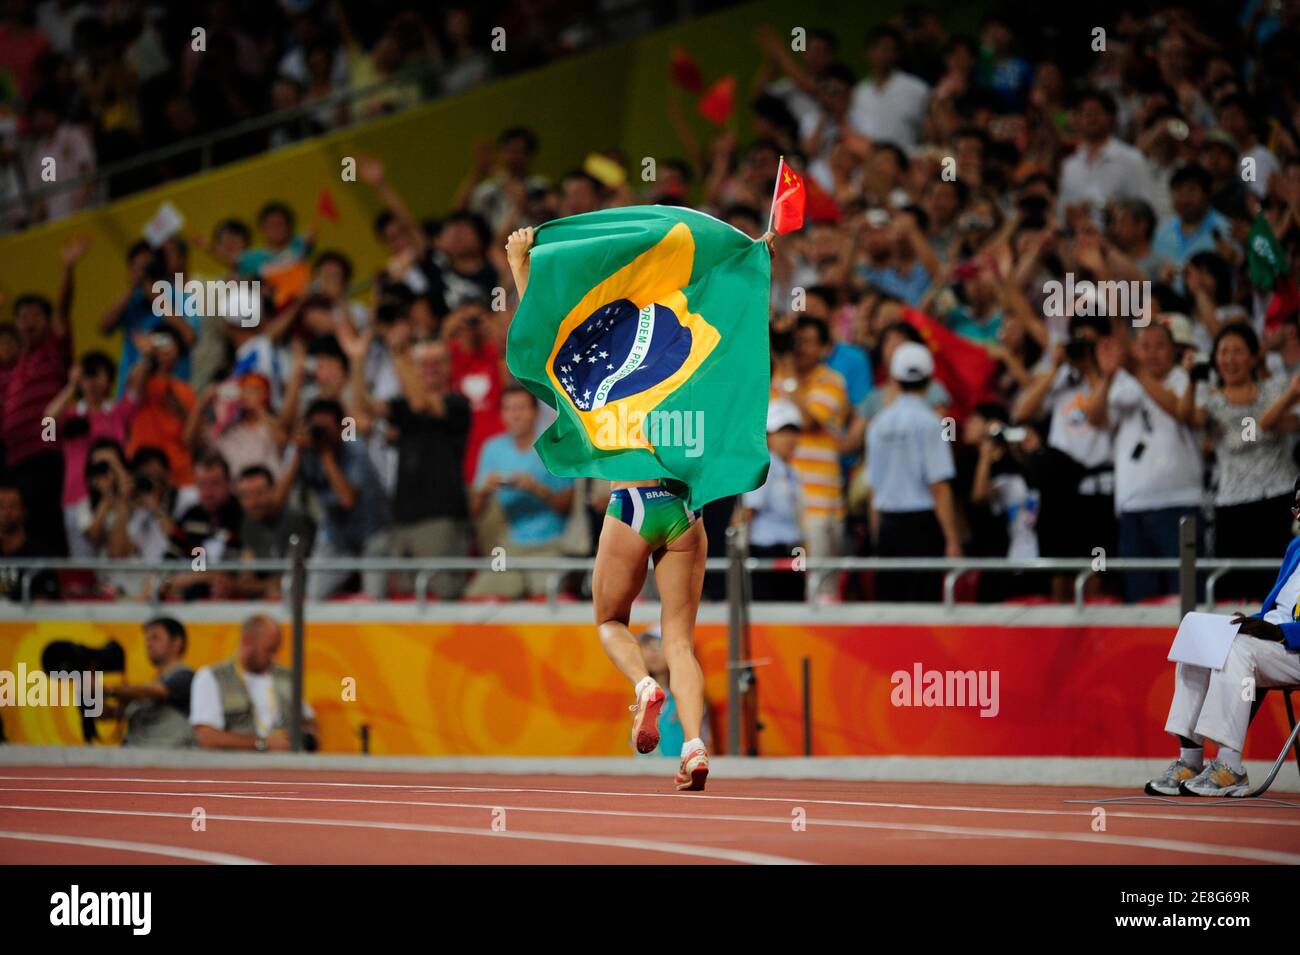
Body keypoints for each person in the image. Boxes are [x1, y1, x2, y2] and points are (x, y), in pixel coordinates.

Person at [506, 226, 712, 791]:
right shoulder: (680, 365)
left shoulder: (590, 379)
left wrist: (519, 263)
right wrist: (752, 256)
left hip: (630, 503)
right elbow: (729, 331)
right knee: (679, 639)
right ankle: (692, 745)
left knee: (609, 620)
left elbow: (542, 336)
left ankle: (644, 687)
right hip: (684, 510)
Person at [1145, 476, 1300, 797]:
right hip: (1274, 642)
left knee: (1237, 649)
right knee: (1198, 635)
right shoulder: (1296, 547)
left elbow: (1284, 623)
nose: (1297, 514)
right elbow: (1278, 609)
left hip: (1292, 647)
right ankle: (1190, 760)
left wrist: (1278, 632)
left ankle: (1230, 767)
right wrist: (1254, 622)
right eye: (1296, 506)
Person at [1179, 323, 1298, 599]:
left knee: (1280, 589)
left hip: (1278, 499)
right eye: (1223, 352)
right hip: (1233, 506)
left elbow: (1290, 424)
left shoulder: (1275, 388)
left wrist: (1278, 415)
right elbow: (1187, 416)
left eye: (1237, 351)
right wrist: (1191, 380)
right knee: (1235, 592)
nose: (1230, 359)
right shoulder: (1213, 402)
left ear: (1253, 357)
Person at [1087, 322, 1202, 602]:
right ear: (1135, 349)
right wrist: (1106, 377)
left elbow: (1180, 411)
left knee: (1185, 598)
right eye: (1144, 346)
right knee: (1141, 597)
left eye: (1159, 345)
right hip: (1132, 506)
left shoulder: (1187, 379)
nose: (1151, 353)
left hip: (1179, 503)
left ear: (1174, 350)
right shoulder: (1124, 382)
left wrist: (1136, 372)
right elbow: (1094, 418)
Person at [866, 341, 961, 602]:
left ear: (894, 378)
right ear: (930, 379)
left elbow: (873, 489)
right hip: (922, 526)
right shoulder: (931, 424)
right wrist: (952, 539)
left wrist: (878, 538)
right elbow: (939, 486)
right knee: (923, 607)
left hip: (888, 527)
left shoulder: (877, 424)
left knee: (891, 609)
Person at [189, 614, 317, 751]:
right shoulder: (211, 677)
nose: (274, 657)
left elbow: (309, 723)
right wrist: (263, 744)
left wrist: (301, 738)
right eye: (269, 650)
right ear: (246, 642)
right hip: (236, 767)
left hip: (285, 765)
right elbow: (206, 737)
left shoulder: (286, 677)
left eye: (276, 650)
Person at [741, 398, 805, 602]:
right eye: (782, 432)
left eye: (793, 432)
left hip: (793, 551)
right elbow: (746, 514)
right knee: (769, 616)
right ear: (767, 436)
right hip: (767, 553)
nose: (790, 439)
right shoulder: (765, 468)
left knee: (795, 612)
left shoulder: (790, 471)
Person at [104, 617, 195, 747]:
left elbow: (156, 692)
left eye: (155, 638)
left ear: (177, 642)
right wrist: (89, 697)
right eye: (147, 638)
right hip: (135, 757)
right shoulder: (148, 686)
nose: (148, 643)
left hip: (166, 760)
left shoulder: (186, 677)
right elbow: (107, 715)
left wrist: (108, 689)